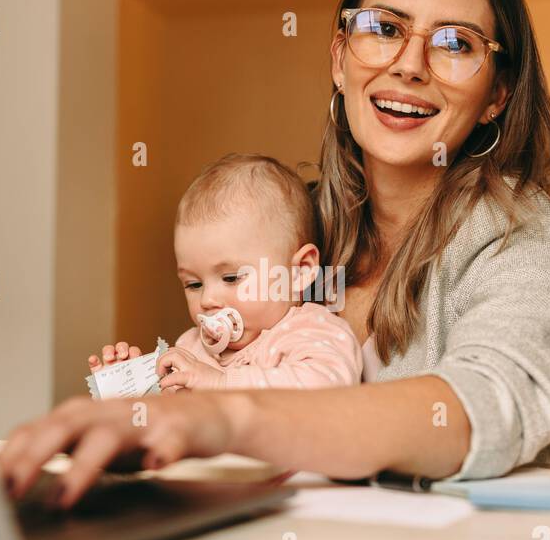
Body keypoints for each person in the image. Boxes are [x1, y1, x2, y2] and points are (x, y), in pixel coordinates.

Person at [0, 0, 550, 507]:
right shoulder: (288, 226)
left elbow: (485, 405)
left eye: (455, 43)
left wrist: (226, 415)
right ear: (341, 59)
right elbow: (204, 366)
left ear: (497, 94)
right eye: (384, 28)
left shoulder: (530, 240)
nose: (410, 65)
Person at [87, 152, 362, 391]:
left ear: (300, 271)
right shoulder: (191, 346)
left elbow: (327, 391)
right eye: (193, 284)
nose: (208, 300)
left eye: (231, 278)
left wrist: (221, 383)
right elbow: (167, 420)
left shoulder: (312, 331)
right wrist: (133, 385)